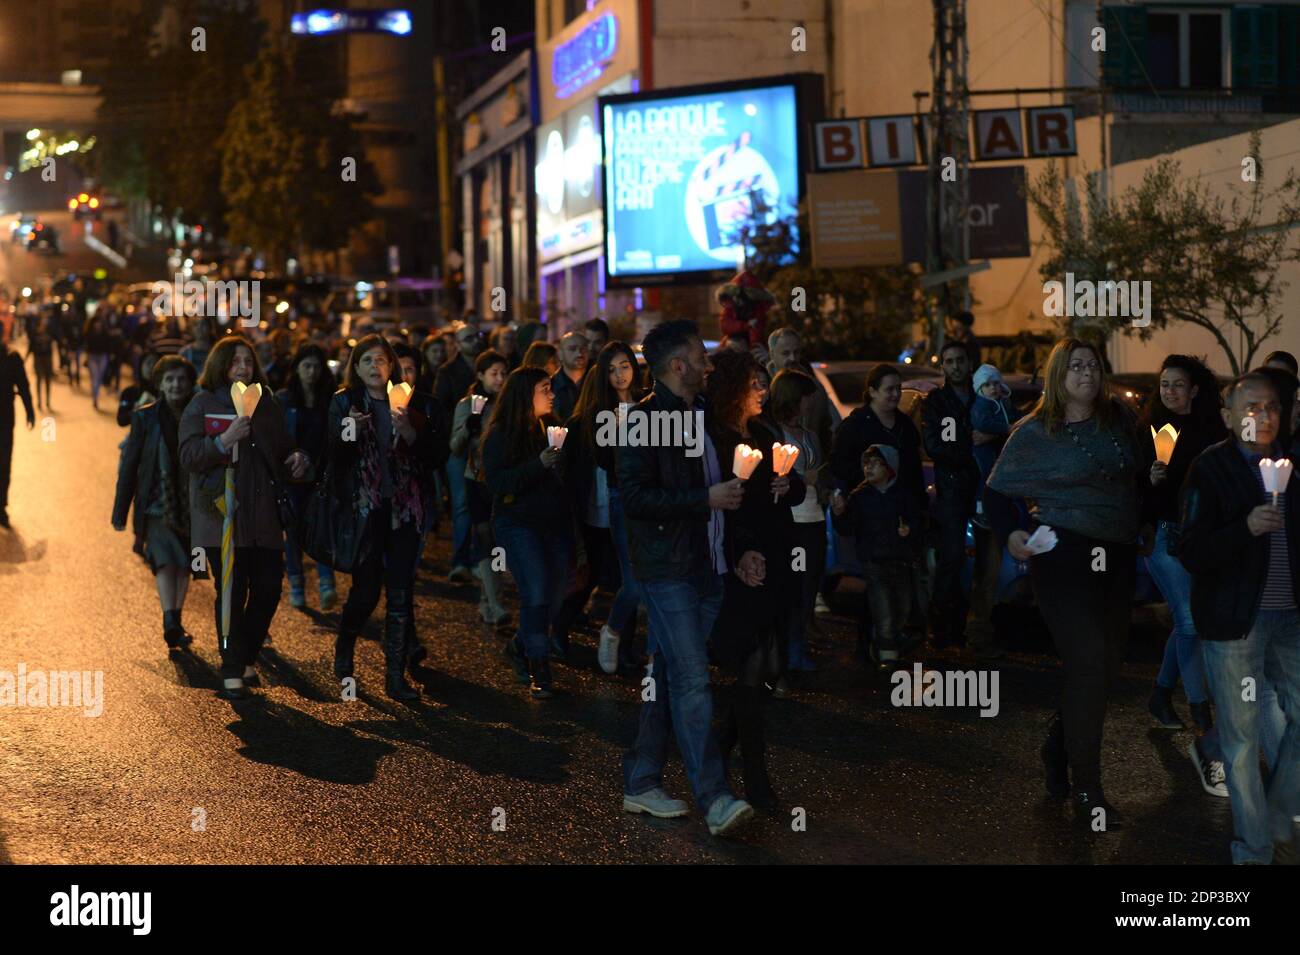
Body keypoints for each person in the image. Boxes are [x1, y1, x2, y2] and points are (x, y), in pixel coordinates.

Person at [985, 338, 1140, 829]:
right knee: (1090, 660)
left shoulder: (1120, 422)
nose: (1087, 373)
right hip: (1063, 553)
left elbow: (1137, 477)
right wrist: (1012, 531)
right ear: (1057, 374)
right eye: (1076, 365)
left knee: (1104, 665)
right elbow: (994, 493)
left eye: (1094, 364)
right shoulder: (1033, 433)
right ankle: (1088, 790)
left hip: (1117, 553)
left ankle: (1059, 747)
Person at [618, 319, 755, 837]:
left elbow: (720, 492)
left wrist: (739, 551)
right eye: (701, 355)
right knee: (693, 680)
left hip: (708, 567)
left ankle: (642, 781)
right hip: (669, 570)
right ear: (677, 365)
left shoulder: (703, 413)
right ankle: (716, 798)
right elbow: (634, 499)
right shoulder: (640, 423)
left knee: (669, 676)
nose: (709, 363)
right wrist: (704, 500)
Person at [1178, 371, 1300, 864]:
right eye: (1250, 407)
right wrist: (1244, 527)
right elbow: (1191, 549)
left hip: (1290, 619)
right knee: (1243, 741)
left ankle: (1275, 816)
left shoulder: (1294, 466)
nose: (1263, 415)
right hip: (1235, 625)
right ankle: (1253, 849)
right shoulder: (1210, 470)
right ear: (1229, 416)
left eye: (1270, 406)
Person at [179, 336, 310, 700]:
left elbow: (284, 449)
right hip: (224, 518)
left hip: (265, 516)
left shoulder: (267, 403)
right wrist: (222, 443)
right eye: (235, 361)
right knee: (232, 592)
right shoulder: (202, 404)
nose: (242, 368)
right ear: (220, 364)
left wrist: (298, 459)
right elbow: (188, 455)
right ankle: (232, 666)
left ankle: (245, 654)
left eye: (247, 362)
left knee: (268, 589)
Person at [706, 349, 806, 810]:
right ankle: (755, 774)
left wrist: (792, 486)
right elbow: (726, 503)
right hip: (741, 561)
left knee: (767, 662)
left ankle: (717, 754)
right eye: (755, 384)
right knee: (752, 662)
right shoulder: (715, 435)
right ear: (733, 389)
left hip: (778, 553)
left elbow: (792, 484)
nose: (764, 391)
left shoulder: (764, 431)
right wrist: (742, 548)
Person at [327, 335, 440, 700]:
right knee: (366, 590)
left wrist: (408, 428)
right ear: (356, 368)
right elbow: (333, 457)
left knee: (401, 592)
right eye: (367, 361)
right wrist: (350, 430)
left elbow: (433, 457)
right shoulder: (345, 402)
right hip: (366, 510)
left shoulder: (411, 401)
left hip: (406, 509)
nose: (375, 367)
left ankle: (396, 675)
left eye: (382, 360)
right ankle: (345, 647)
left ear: (392, 366)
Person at [1136, 355, 1228, 735]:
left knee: (1188, 620)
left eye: (1177, 384)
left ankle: (1160, 695)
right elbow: (1131, 486)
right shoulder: (1152, 429)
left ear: (1193, 390)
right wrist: (1151, 478)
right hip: (1161, 534)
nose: (1169, 391)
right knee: (1190, 621)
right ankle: (1199, 710)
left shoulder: (1211, 430)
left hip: (1198, 537)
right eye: (1164, 385)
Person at [481, 366, 573, 699]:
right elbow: (499, 483)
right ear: (525, 395)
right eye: (545, 388)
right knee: (535, 590)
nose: (552, 394)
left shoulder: (551, 426)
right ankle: (540, 666)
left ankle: (520, 645)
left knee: (557, 593)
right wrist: (540, 464)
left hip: (554, 522)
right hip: (518, 523)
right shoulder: (501, 434)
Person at [829, 363, 928, 658]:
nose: (896, 395)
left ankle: (896, 635)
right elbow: (838, 463)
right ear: (872, 391)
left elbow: (913, 470)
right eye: (889, 389)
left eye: (898, 388)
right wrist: (863, 485)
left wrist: (917, 509)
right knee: (874, 577)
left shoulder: (904, 425)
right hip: (869, 510)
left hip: (899, 509)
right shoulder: (857, 425)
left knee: (901, 579)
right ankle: (873, 640)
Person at [562, 340, 646, 674]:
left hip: (649, 497)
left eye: (625, 366)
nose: (620, 375)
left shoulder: (648, 404)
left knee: (647, 577)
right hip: (620, 498)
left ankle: (629, 647)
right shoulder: (601, 414)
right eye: (611, 369)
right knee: (632, 578)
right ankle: (611, 632)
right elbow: (605, 459)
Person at [112, 355, 199, 649]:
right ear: (160, 384)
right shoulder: (145, 417)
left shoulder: (198, 413)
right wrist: (120, 510)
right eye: (169, 380)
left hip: (192, 503)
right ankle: (170, 620)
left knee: (185, 563)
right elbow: (131, 465)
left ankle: (176, 616)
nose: (176, 385)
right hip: (156, 501)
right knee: (164, 561)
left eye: (181, 379)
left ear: (190, 384)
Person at [832, 445, 923, 667]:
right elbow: (846, 528)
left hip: (899, 560)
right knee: (882, 608)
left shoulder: (902, 494)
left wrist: (909, 529)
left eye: (875, 463)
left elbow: (918, 519)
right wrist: (839, 513)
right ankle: (887, 655)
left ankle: (887, 640)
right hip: (873, 561)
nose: (868, 468)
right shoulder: (860, 496)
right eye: (866, 463)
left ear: (889, 468)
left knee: (902, 606)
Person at [921, 341, 984, 651]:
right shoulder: (937, 402)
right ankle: (944, 629)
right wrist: (970, 452)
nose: (956, 366)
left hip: (983, 487)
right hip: (952, 488)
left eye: (960, 360)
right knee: (952, 558)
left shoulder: (981, 396)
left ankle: (975, 628)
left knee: (983, 560)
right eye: (950, 361)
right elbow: (936, 446)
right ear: (943, 366)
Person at [769, 367, 828, 671]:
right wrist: (806, 478)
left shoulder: (810, 436)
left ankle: (798, 643)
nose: (810, 403)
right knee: (794, 586)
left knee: (809, 585)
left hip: (814, 518)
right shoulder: (775, 434)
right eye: (806, 397)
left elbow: (819, 474)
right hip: (793, 522)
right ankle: (788, 648)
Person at [966, 363, 1024, 659]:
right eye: (989, 385)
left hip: (1015, 497)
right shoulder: (982, 407)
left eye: (996, 385)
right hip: (991, 498)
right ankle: (978, 635)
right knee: (987, 570)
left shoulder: (1004, 405)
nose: (994, 390)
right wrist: (1005, 430)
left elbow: (1017, 425)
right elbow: (988, 428)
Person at [450, 349, 510, 626]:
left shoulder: (509, 404)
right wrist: (468, 429)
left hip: (502, 480)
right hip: (476, 479)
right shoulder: (469, 404)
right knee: (485, 537)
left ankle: (488, 600)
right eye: (494, 373)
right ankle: (496, 602)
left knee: (499, 540)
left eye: (503, 373)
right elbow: (455, 446)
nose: (499, 379)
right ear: (481, 375)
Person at [276, 344, 338, 612]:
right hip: (291, 475)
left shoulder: (332, 399)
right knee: (293, 531)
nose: (312, 372)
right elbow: (277, 438)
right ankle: (297, 586)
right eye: (306, 366)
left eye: (316, 366)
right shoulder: (285, 399)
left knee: (321, 530)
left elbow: (334, 438)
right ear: (297, 369)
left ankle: (327, 584)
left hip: (320, 476)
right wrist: (294, 457)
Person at [435, 323, 484, 584]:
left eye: (476, 336)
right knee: (463, 504)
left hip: (482, 445)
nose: (474, 342)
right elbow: (441, 409)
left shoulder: (486, 365)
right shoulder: (448, 371)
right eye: (468, 338)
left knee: (483, 503)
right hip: (459, 445)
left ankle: (480, 559)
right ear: (457, 343)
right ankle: (461, 559)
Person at [0, 335, 35, 528]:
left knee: (4, 464)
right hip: (6, 418)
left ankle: (1, 505)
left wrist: (30, 410)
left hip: (5, 419)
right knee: (4, 464)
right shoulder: (12, 358)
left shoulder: (12, 358)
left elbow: (23, 385)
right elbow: (23, 386)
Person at [717, 270, 775, 345]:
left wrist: (755, 348)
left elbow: (757, 331)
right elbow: (725, 326)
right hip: (734, 344)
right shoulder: (731, 307)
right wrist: (745, 325)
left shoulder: (759, 308)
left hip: (753, 347)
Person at [552, 330, 589, 422]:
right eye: (572, 349)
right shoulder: (551, 387)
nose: (579, 353)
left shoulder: (597, 383)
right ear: (560, 354)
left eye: (583, 349)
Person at [118, 352, 161, 427]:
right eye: (148, 363)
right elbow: (121, 420)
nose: (151, 367)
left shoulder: (165, 393)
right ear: (141, 365)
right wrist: (139, 406)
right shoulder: (130, 392)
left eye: (155, 363)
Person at [26, 312, 57, 414]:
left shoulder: (50, 331)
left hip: (47, 358)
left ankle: (48, 401)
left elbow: (54, 342)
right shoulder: (34, 332)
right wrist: (25, 358)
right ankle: (39, 401)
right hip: (38, 358)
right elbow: (31, 346)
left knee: (48, 379)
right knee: (39, 379)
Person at [83, 315, 114, 411]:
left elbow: (109, 344)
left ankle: (95, 395)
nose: (98, 324)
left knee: (99, 377)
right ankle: (95, 398)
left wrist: (110, 354)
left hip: (102, 357)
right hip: (92, 357)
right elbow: (86, 344)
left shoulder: (105, 334)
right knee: (95, 377)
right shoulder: (89, 333)